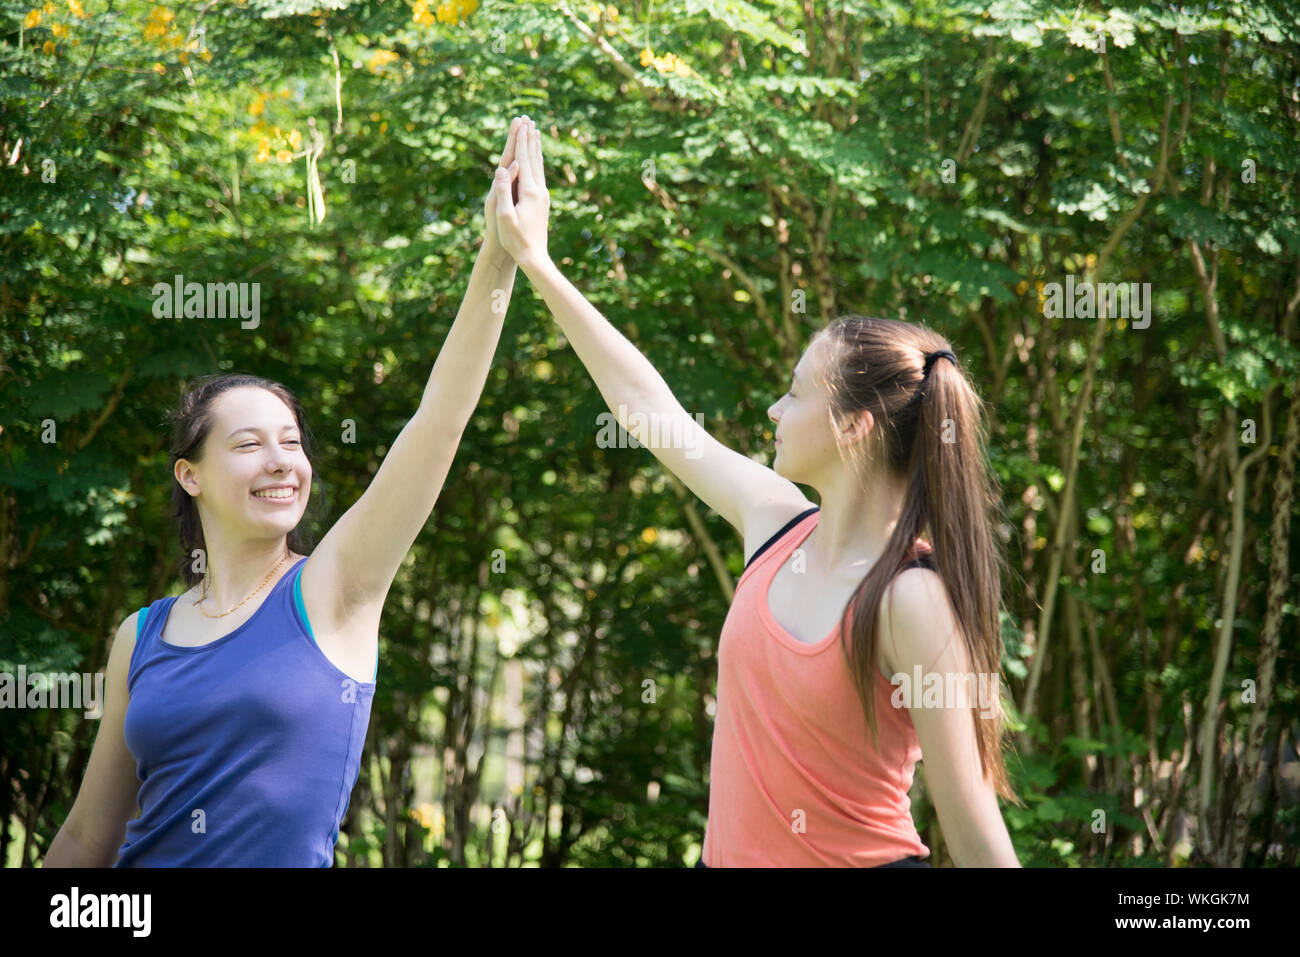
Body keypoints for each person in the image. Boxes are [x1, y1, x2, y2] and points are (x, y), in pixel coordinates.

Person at [491, 121, 1023, 867]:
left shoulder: (910, 598)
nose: (775, 409)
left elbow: (970, 828)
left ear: (856, 426)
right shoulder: (776, 524)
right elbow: (650, 413)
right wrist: (536, 260)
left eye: (795, 392)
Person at [42, 116, 537, 868]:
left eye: (293, 442)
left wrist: (500, 257)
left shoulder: (334, 588)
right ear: (191, 475)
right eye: (247, 444)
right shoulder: (139, 637)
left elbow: (438, 424)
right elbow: (86, 835)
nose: (281, 460)